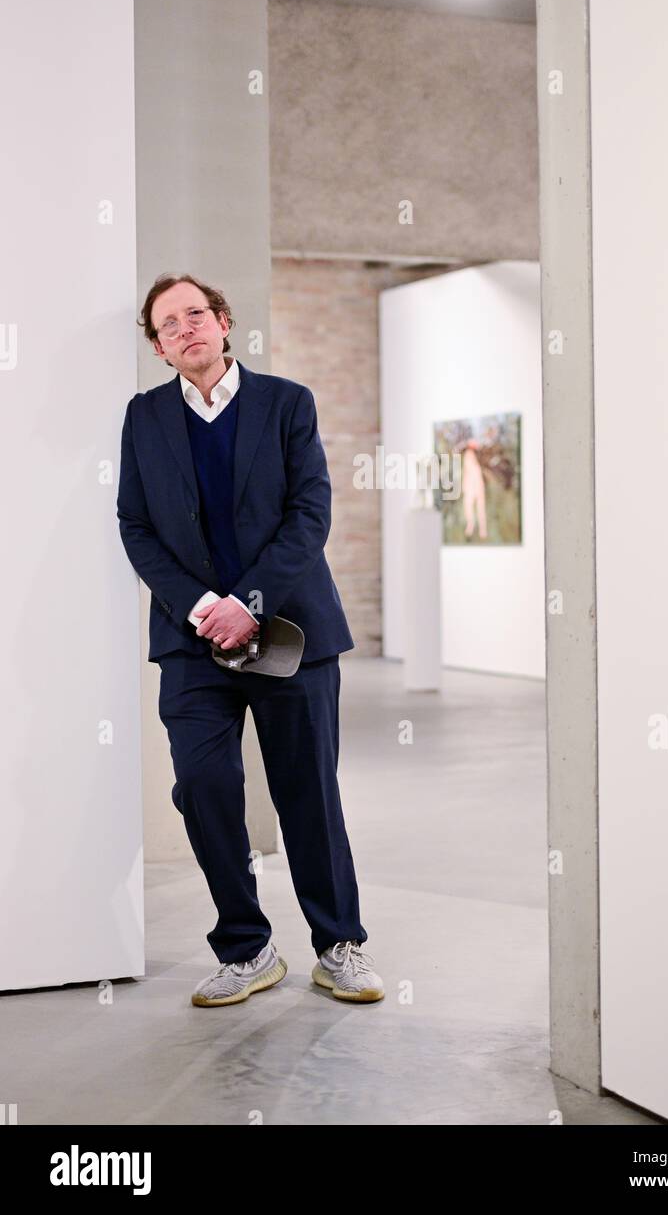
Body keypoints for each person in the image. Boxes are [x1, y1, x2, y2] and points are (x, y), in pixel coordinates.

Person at [116, 271, 384, 1008]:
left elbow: (310, 512)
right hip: (192, 639)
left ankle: (339, 947)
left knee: (307, 794)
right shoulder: (144, 418)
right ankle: (247, 947)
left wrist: (249, 601)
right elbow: (134, 526)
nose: (185, 330)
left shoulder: (286, 403)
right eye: (168, 326)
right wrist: (205, 605)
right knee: (203, 787)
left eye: (195, 314)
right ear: (159, 348)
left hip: (292, 632)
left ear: (224, 321)